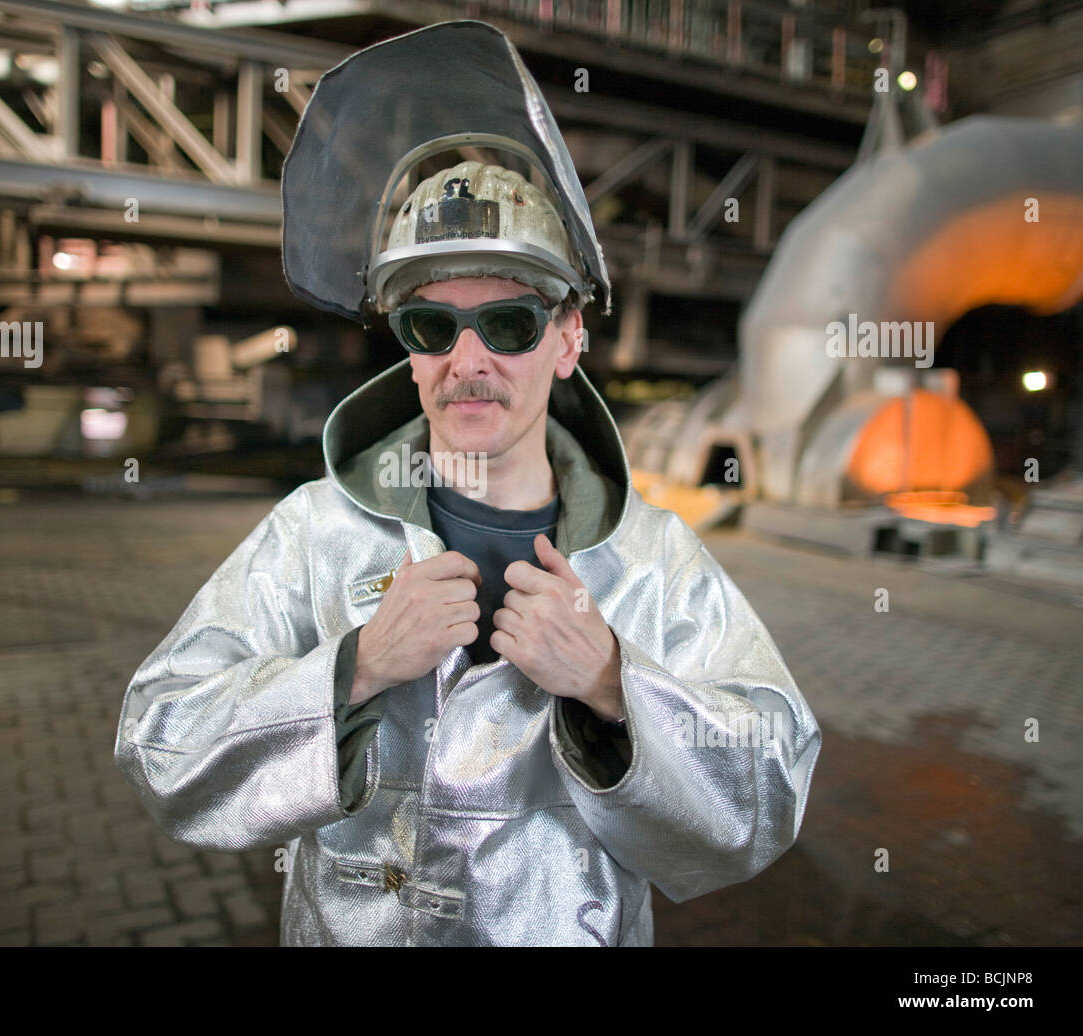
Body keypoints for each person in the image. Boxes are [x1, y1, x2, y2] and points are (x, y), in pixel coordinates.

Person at [113, 151, 822, 946]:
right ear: (409, 347)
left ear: (567, 340)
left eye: (511, 323)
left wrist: (613, 684)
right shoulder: (316, 532)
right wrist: (356, 667)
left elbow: (773, 781)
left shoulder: (652, 558)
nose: (469, 361)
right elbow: (158, 743)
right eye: (433, 325)